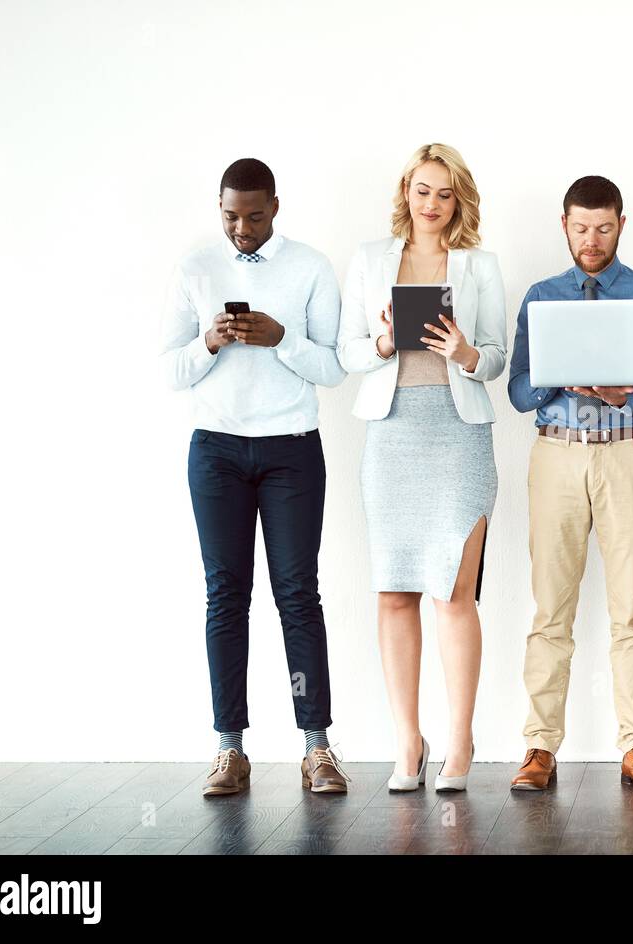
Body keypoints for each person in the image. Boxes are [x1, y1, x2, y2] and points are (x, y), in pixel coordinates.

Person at [160, 157, 350, 796]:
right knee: (225, 597)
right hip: (215, 451)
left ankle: (317, 747)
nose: (241, 228)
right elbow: (169, 370)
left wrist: (281, 339)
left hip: (291, 450)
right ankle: (229, 748)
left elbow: (334, 368)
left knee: (297, 595)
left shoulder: (310, 267)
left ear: (275, 207)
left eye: (254, 216)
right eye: (230, 216)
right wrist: (209, 343)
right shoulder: (194, 268)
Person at [336, 143, 507, 793]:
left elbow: (497, 357)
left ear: (459, 200)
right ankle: (408, 740)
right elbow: (350, 352)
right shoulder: (370, 260)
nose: (431, 204)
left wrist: (464, 350)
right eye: (422, 190)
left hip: (459, 436)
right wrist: (385, 340)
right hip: (392, 433)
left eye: (444, 193)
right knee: (394, 590)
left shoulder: (479, 265)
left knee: (453, 594)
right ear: (405, 192)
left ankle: (460, 739)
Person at [506, 176, 633, 791]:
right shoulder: (541, 297)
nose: (592, 240)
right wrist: (561, 378)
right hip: (557, 455)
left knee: (632, 609)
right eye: (581, 228)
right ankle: (539, 747)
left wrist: (620, 393)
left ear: (621, 225)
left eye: (604, 228)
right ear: (564, 225)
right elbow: (518, 391)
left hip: (628, 454)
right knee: (550, 609)